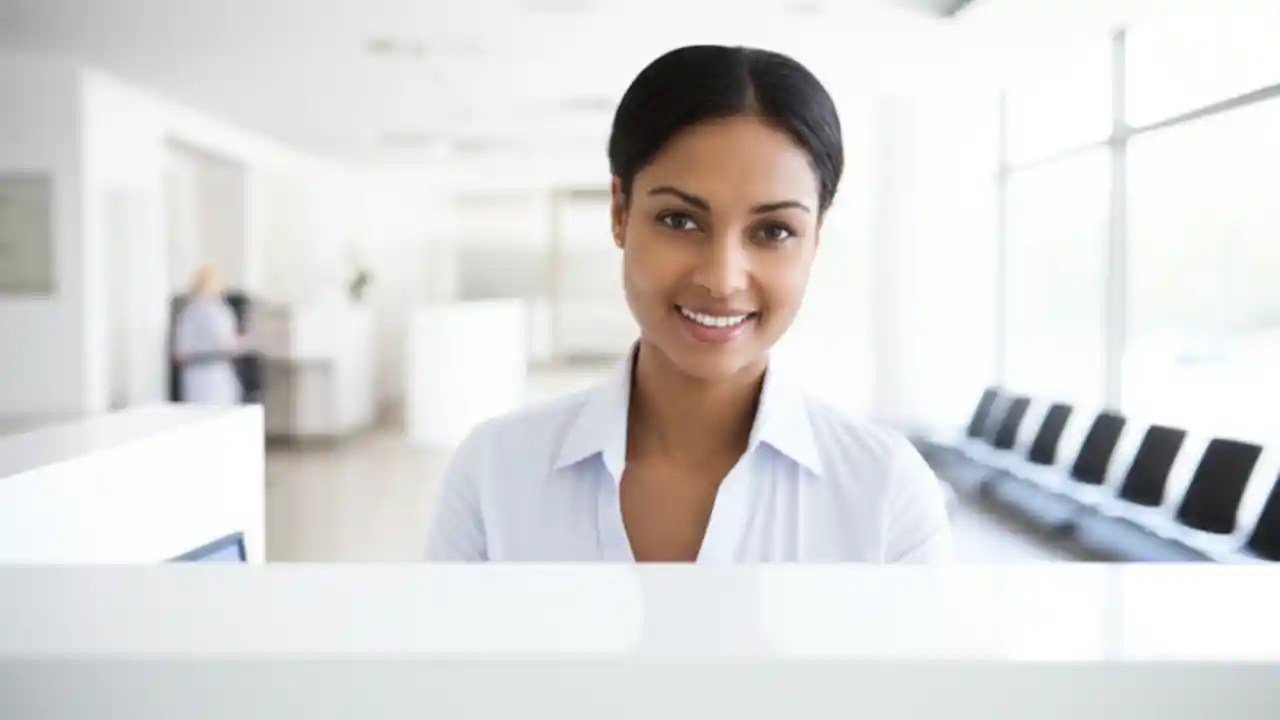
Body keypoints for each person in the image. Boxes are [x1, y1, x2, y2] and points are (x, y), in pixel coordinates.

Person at [427, 45, 951, 562]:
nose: (721, 280)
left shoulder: (885, 496)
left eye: (773, 230)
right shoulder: (496, 475)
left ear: (815, 237)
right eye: (679, 220)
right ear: (619, 212)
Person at [174, 265, 243, 405]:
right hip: (203, 373)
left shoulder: (217, 310)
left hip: (213, 373)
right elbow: (181, 352)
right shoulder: (195, 313)